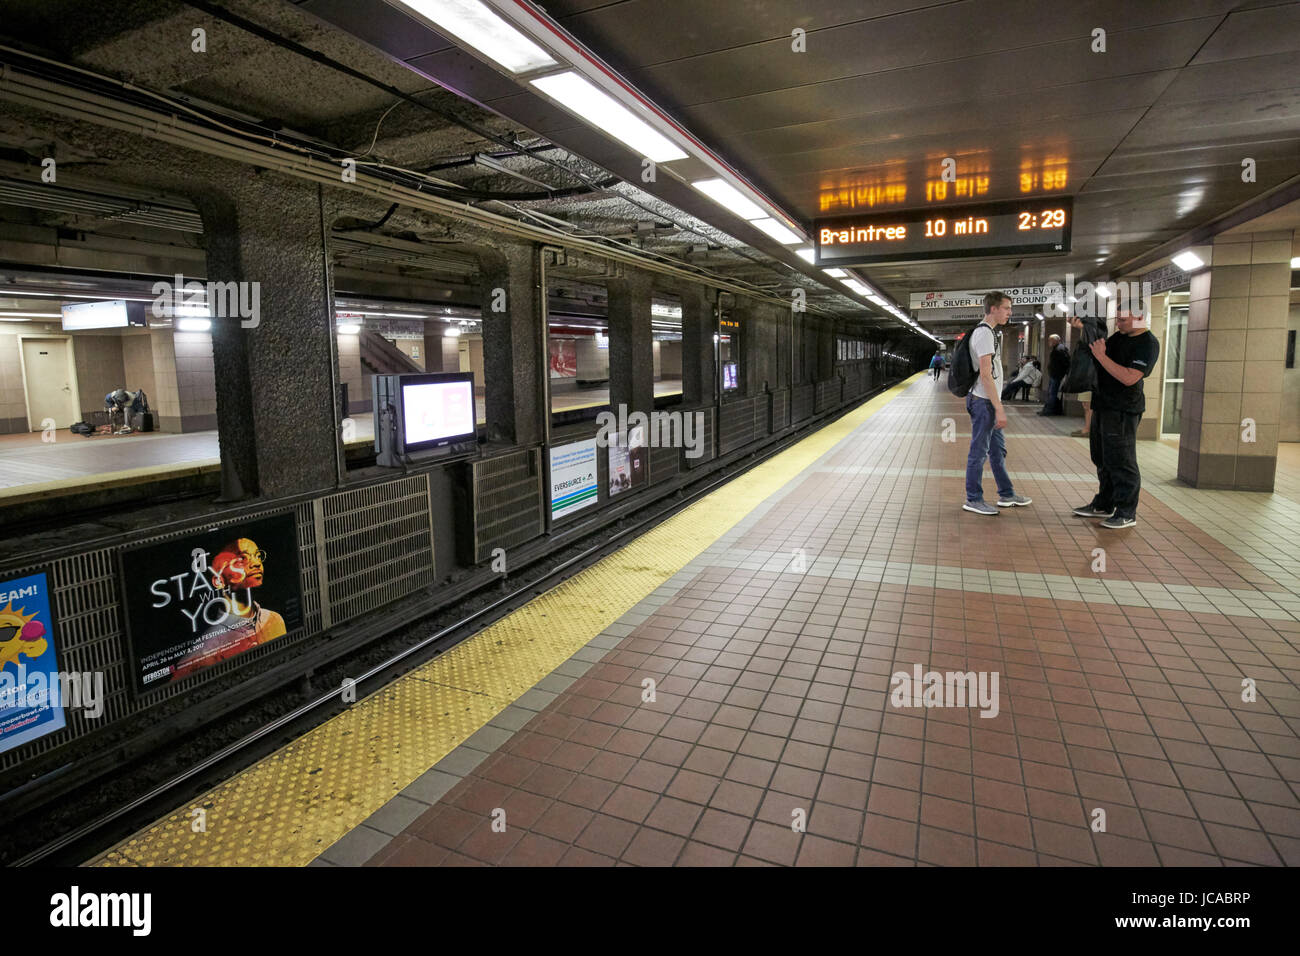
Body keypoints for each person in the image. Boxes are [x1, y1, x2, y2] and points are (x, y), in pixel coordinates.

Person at [1072, 310, 1160, 529]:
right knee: (1102, 457)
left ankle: (1126, 511)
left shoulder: (1147, 343)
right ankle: (1104, 503)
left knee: (1122, 460)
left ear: (1140, 316)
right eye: (1117, 319)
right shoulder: (1119, 337)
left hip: (1123, 409)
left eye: (1123, 319)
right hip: (1103, 404)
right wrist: (1085, 329)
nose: (1118, 323)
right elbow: (1098, 348)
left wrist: (1102, 357)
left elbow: (1130, 378)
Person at [963, 291, 1031, 516]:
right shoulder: (984, 334)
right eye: (1007, 308)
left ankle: (1007, 493)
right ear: (993, 309)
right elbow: (985, 374)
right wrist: (999, 407)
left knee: (997, 452)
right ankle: (973, 499)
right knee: (979, 452)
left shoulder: (990, 333)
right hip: (984, 403)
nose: (1010, 312)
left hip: (987, 402)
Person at [1039, 334, 1070, 415]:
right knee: (1050, 392)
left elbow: (1065, 362)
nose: (1049, 342)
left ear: (1057, 340)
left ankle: (1049, 410)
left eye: (1051, 340)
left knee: (1052, 393)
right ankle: (1046, 409)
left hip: (1057, 374)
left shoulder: (1059, 349)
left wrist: (1064, 372)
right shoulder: (1057, 348)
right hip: (1054, 374)